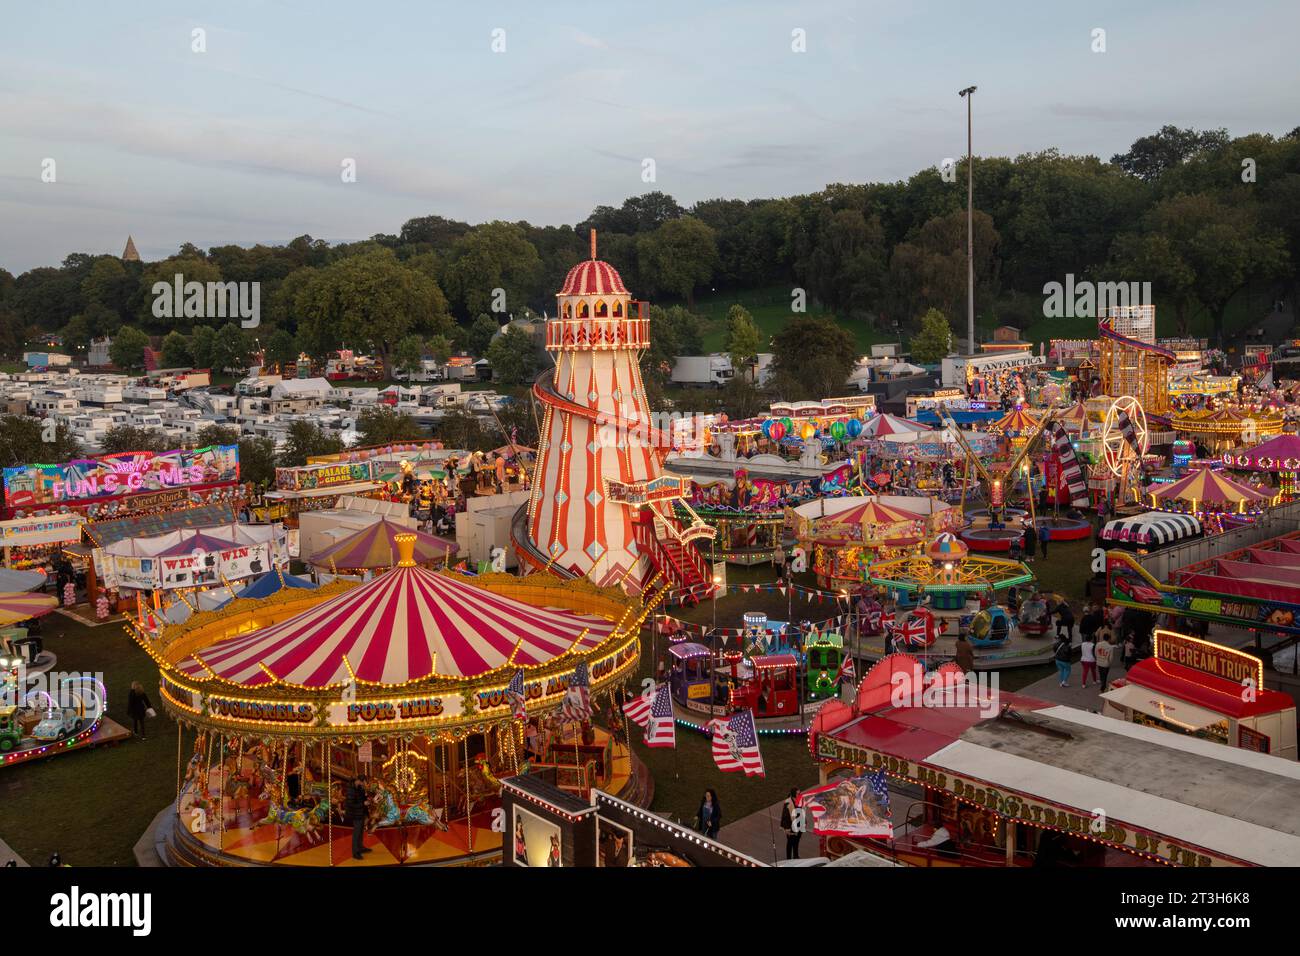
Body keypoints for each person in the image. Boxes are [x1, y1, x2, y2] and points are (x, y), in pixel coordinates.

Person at [346, 776, 371, 860]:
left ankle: (360, 847)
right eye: (364, 782)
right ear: (360, 781)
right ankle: (355, 852)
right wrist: (363, 804)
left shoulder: (359, 788)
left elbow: (362, 798)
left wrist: (367, 798)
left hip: (361, 812)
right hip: (355, 813)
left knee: (360, 831)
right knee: (356, 832)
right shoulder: (351, 790)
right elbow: (351, 804)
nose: (365, 784)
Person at [780, 788, 802, 860]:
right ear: (793, 795)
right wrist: (788, 829)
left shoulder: (800, 800)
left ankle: (796, 856)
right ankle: (788, 859)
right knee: (790, 843)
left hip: (799, 825)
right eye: (798, 793)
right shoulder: (788, 803)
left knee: (796, 842)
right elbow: (785, 817)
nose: (800, 794)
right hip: (791, 827)